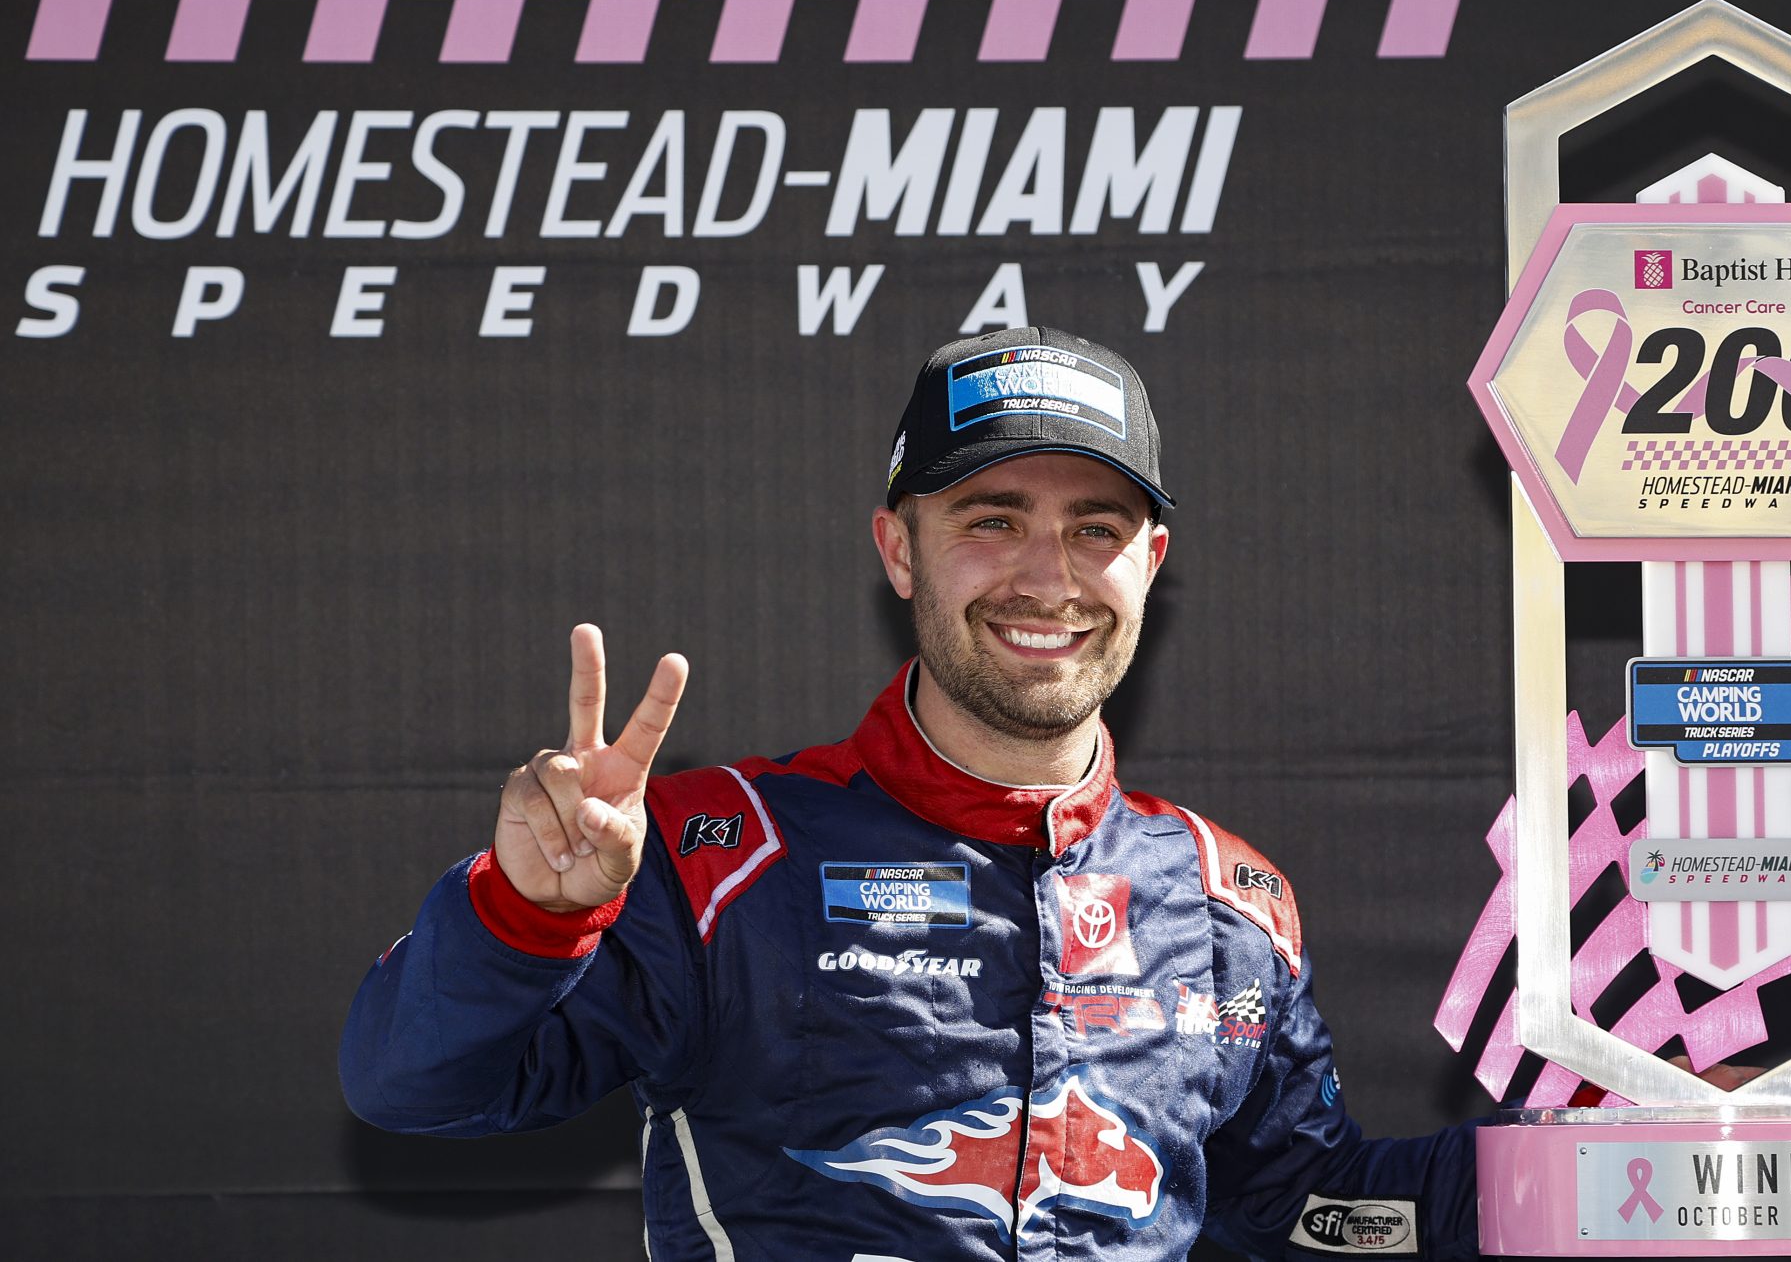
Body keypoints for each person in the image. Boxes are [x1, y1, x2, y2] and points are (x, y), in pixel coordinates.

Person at [341, 326, 1483, 1260]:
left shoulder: (1228, 905)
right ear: (899, 550)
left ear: (1149, 562)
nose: (1048, 576)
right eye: (992, 520)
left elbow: (1307, 1209)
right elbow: (413, 1085)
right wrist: (522, 916)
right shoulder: (714, 853)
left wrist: (1563, 1172)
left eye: (1096, 529)